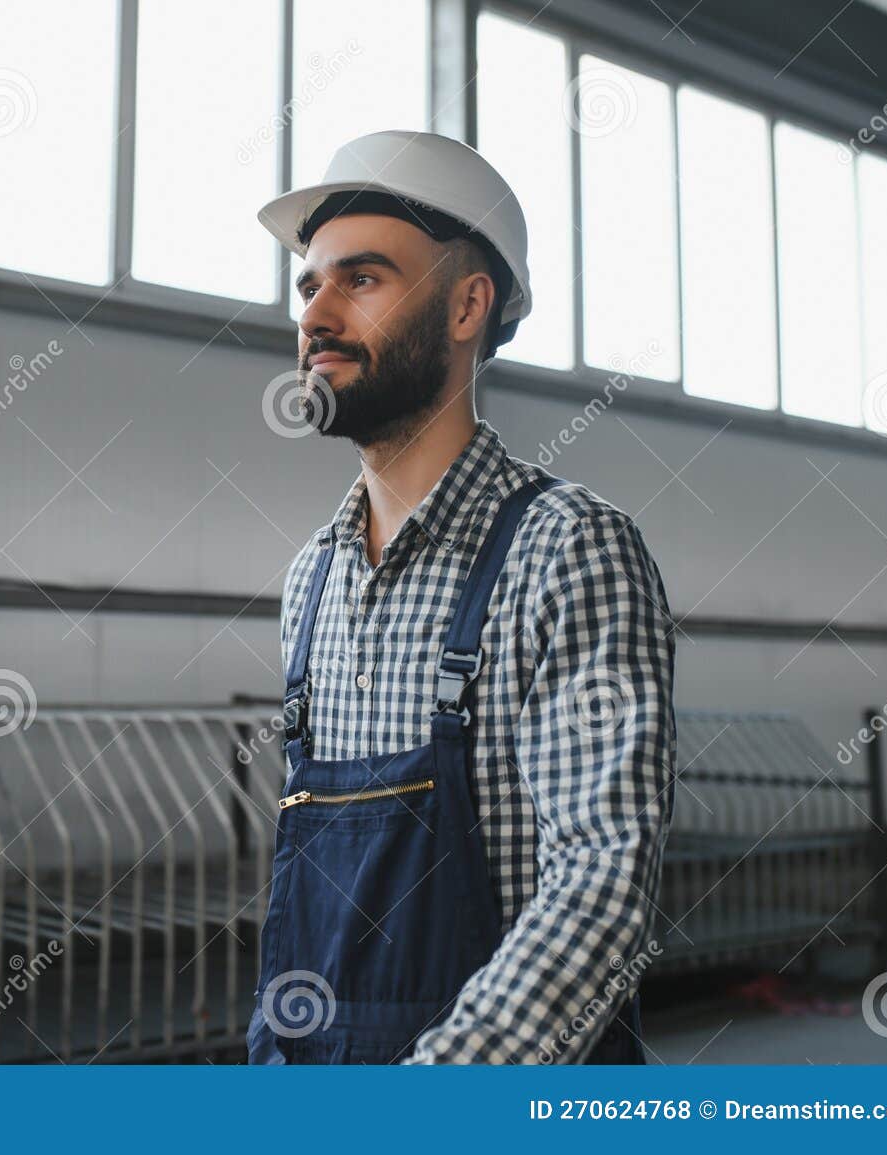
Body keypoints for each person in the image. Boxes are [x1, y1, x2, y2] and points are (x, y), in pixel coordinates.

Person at [247, 130, 677, 1064]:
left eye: (360, 280)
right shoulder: (309, 581)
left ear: (466, 306)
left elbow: (602, 882)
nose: (316, 314)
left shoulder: (566, 550)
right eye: (308, 286)